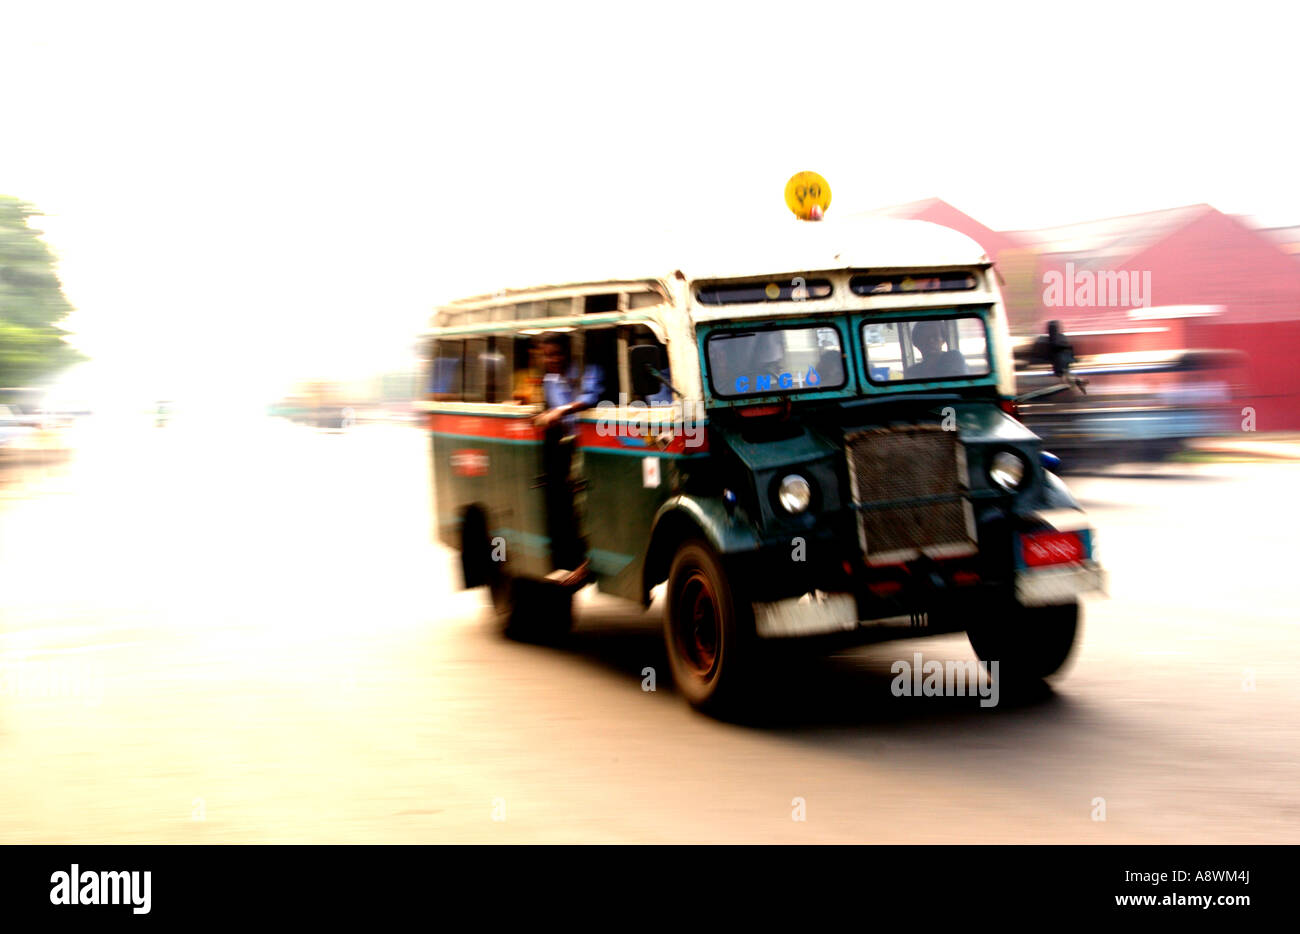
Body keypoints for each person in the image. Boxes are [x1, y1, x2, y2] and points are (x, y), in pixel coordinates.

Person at [534, 334, 605, 578]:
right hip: (568, 445)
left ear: (568, 352)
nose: (551, 360)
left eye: (555, 354)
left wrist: (562, 410)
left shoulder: (587, 370)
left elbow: (590, 398)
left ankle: (588, 561)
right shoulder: (549, 380)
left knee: (583, 501)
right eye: (546, 355)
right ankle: (570, 558)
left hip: (594, 443)